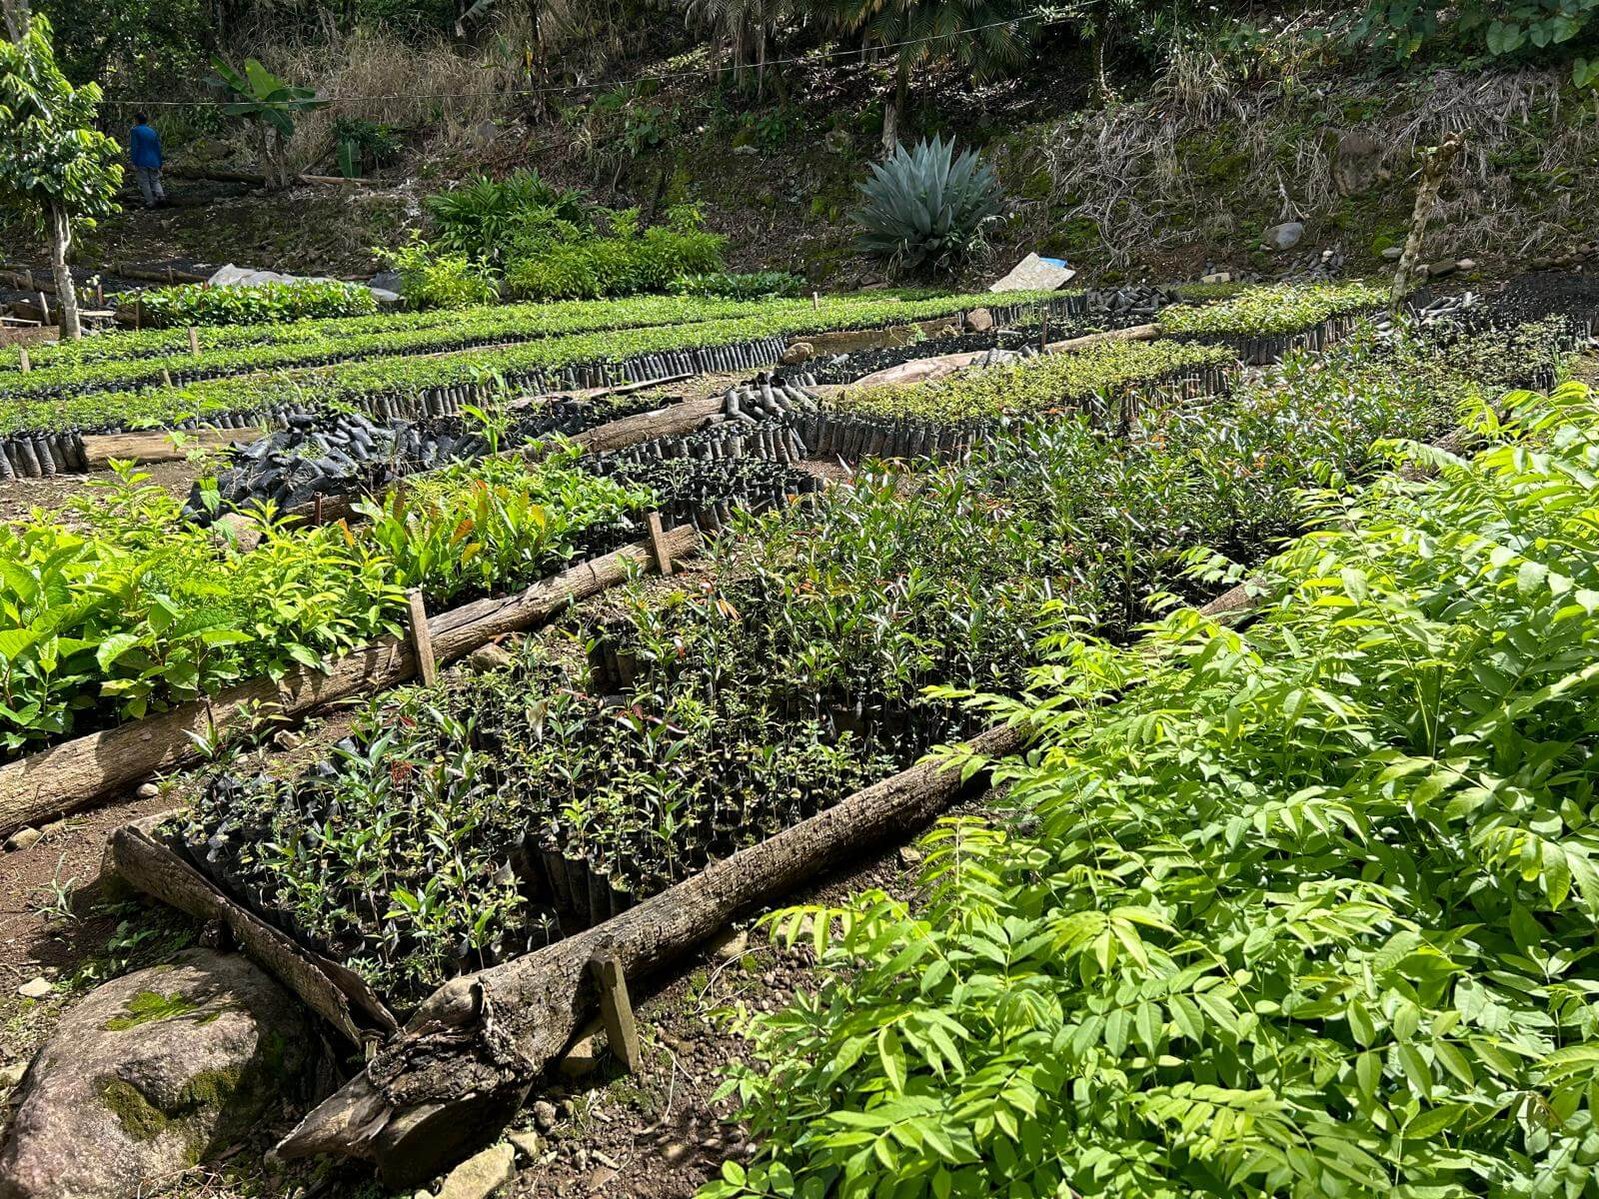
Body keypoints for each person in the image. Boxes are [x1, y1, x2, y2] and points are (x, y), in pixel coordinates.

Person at [130, 113, 166, 208]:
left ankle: (150, 202)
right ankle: (160, 196)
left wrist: (133, 161)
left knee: (144, 181)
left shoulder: (135, 131)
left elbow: (134, 147)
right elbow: (157, 147)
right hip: (154, 160)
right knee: (155, 180)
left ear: (137, 120)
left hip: (141, 160)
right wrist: (160, 162)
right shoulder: (152, 131)